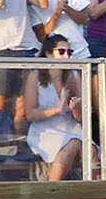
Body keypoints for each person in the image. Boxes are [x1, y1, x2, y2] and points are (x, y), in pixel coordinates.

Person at [23, 35, 85, 180]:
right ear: (48, 53)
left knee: (92, 151)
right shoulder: (35, 76)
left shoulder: (74, 76)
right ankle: (52, 188)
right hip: (44, 129)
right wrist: (57, 109)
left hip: (71, 126)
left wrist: (75, 108)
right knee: (73, 143)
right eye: (61, 52)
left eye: (69, 52)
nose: (66, 56)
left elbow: (81, 117)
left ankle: (97, 193)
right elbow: (30, 114)